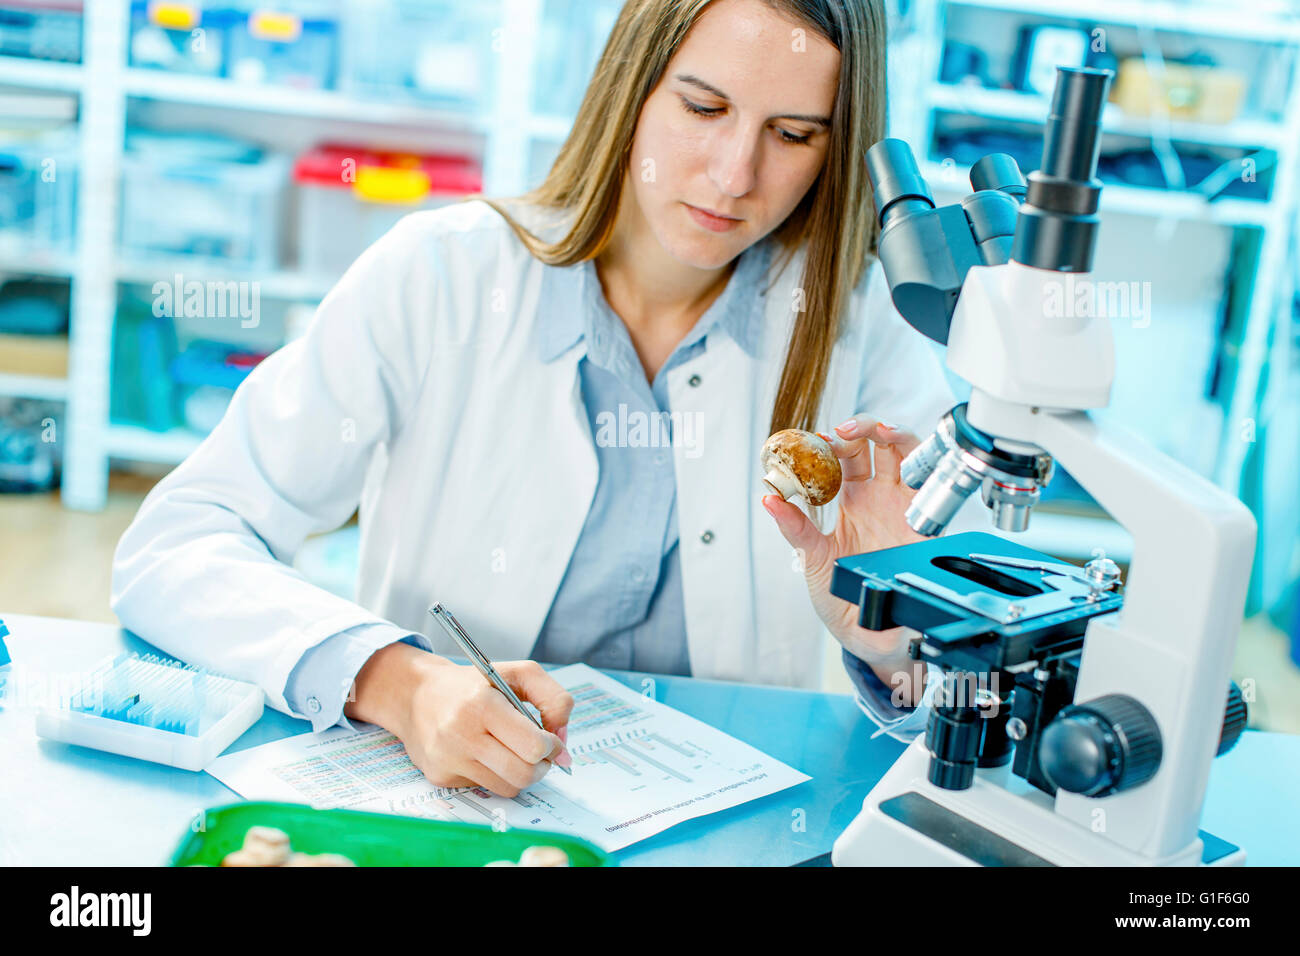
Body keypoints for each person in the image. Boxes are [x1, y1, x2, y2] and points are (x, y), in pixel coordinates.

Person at [112, 0, 955, 798]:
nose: (736, 175)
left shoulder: (867, 328)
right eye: (702, 109)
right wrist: (396, 682)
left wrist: (891, 642)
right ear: (632, 83)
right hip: (452, 814)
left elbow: (959, 685)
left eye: (794, 133)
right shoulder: (440, 274)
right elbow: (177, 547)